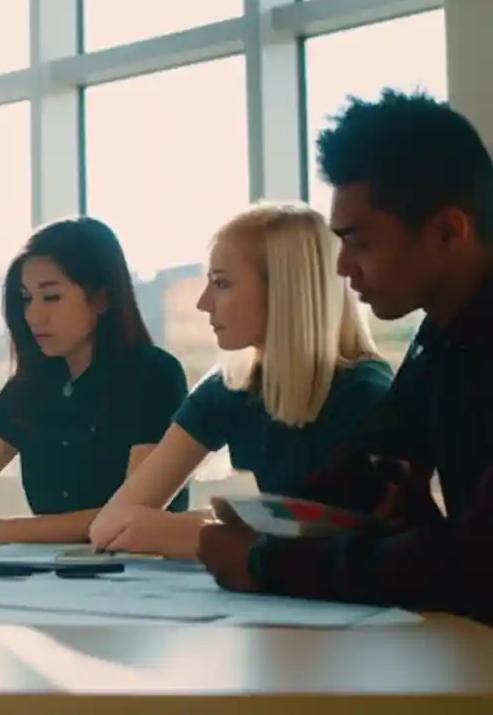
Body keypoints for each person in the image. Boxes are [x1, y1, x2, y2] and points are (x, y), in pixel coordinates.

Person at [199, 90, 493, 625]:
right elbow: (369, 462)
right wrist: (266, 521)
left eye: (360, 243)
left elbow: (479, 561)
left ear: (449, 231)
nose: (342, 268)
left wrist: (266, 562)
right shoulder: (443, 337)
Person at [89, 202, 392, 559]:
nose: (204, 303)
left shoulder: (364, 395)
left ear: (284, 291)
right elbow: (109, 525)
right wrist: (220, 532)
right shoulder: (228, 387)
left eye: (222, 283)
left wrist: (201, 533)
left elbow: (342, 545)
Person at [0, 218, 189, 550]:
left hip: (145, 572)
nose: (34, 316)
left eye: (51, 297)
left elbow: (129, 515)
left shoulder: (154, 375)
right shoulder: (30, 386)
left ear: (101, 298)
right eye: (27, 299)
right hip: (55, 573)